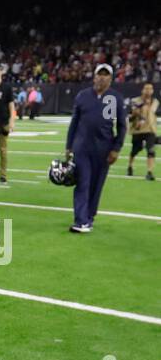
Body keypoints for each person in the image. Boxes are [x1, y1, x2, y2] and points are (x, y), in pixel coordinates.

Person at [65, 63, 126, 233]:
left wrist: (116, 148)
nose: (102, 77)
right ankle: (81, 220)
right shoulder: (83, 96)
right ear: (94, 76)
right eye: (100, 74)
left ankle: (89, 217)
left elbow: (122, 126)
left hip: (104, 149)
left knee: (96, 185)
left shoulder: (116, 98)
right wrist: (69, 146)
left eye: (106, 75)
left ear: (111, 79)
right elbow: (74, 122)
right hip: (82, 147)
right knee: (83, 183)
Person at [126, 81, 157, 180]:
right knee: (135, 150)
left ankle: (149, 172)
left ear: (152, 91)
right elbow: (130, 117)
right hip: (138, 130)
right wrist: (135, 113)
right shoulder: (135, 101)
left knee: (151, 150)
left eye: (150, 89)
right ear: (142, 90)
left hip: (150, 130)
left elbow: (153, 113)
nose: (148, 91)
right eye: (146, 88)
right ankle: (130, 166)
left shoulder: (155, 102)